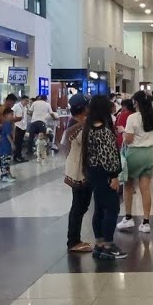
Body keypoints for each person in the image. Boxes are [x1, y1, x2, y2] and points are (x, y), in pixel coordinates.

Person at [83, 95, 126, 259]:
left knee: (99, 208)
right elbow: (108, 156)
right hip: (105, 172)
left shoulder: (88, 128)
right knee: (112, 207)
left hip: (93, 172)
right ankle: (109, 244)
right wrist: (114, 175)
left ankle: (99, 244)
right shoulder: (104, 131)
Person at [119, 91, 153, 234]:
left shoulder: (132, 117)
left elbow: (128, 139)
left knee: (128, 186)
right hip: (149, 153)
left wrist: (122, 132)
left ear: (135, 102)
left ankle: (128, 217)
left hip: (134, 153)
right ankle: (146, 222)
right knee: (145, 189)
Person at [62, 102, 94, 252]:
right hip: (78, 171)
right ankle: (73, 241)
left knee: (80, 206)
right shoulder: (79, 126)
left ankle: (74, 239)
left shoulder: (74, 124)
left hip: (77, 169)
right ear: (82, 111)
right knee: (79, 206)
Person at [0, 104, 16, 182]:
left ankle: (7, 174)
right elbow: (7, 135)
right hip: (5, 145)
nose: (12, 116)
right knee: (5, 160)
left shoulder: (7, 123)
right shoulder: (7, 123)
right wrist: (12, 143)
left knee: (6, 160)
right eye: (11, 114)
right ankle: (5, 175)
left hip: (3, 145)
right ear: (6, 115)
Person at [12, 95, 31, 162]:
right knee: (17, 143)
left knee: (20, 143)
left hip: (23, 127)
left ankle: (19, 156)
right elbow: (12, 116)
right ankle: (16, 156)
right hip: (17, 126)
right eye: (26, 101)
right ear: (22, 100)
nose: (27, 102)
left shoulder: (25, 108)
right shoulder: (16, 106)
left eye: (28, 101)